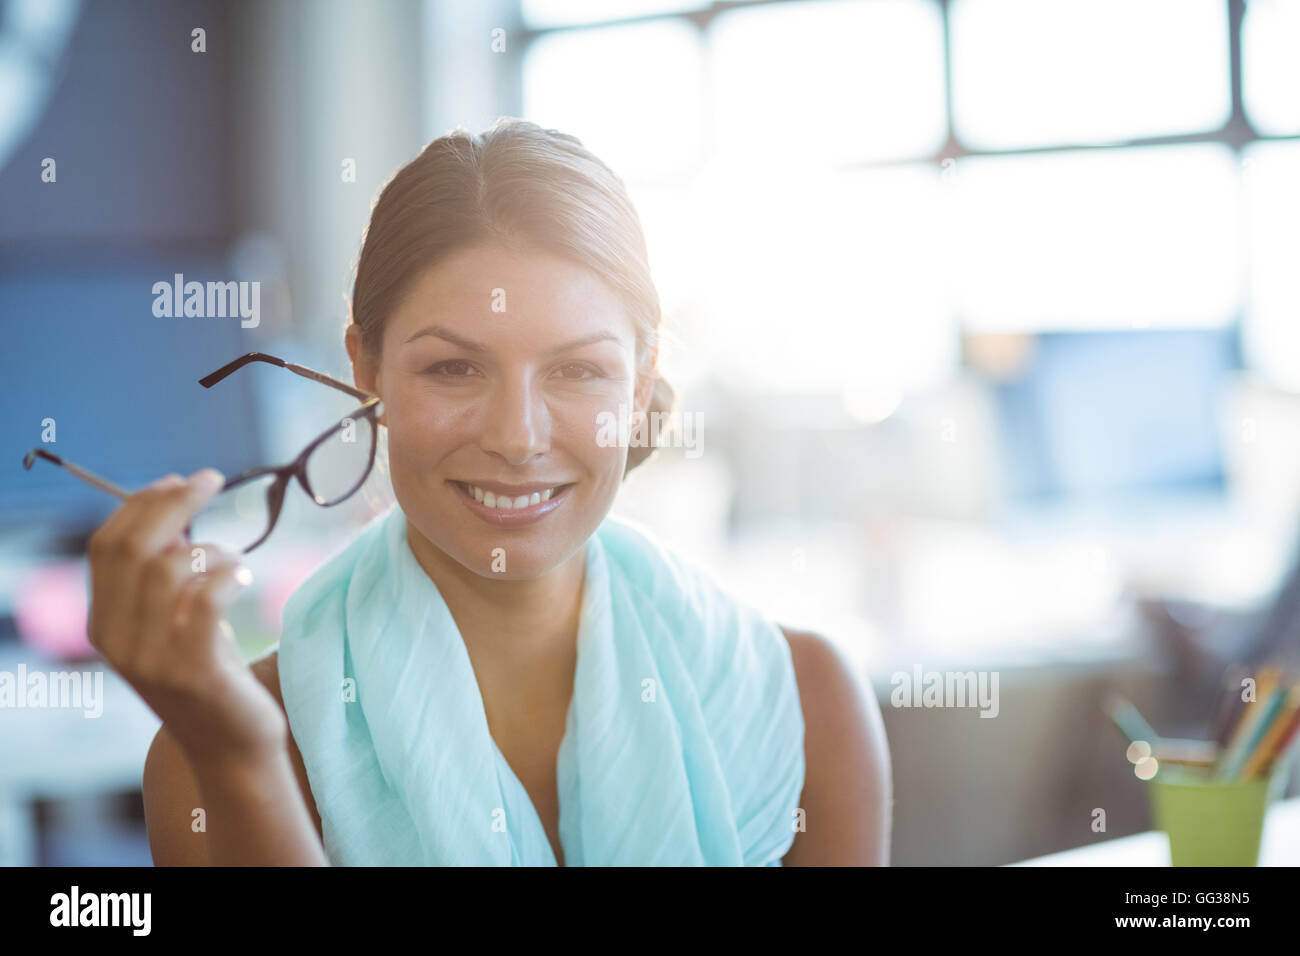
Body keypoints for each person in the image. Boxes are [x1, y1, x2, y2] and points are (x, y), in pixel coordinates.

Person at [88, 118, 892, 865]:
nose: (518, 436)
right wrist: (242, 761)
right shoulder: (222, 753)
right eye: (454, 368)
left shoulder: (803, 701)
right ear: (365, 371)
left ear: (642, 384)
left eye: (578, 370)